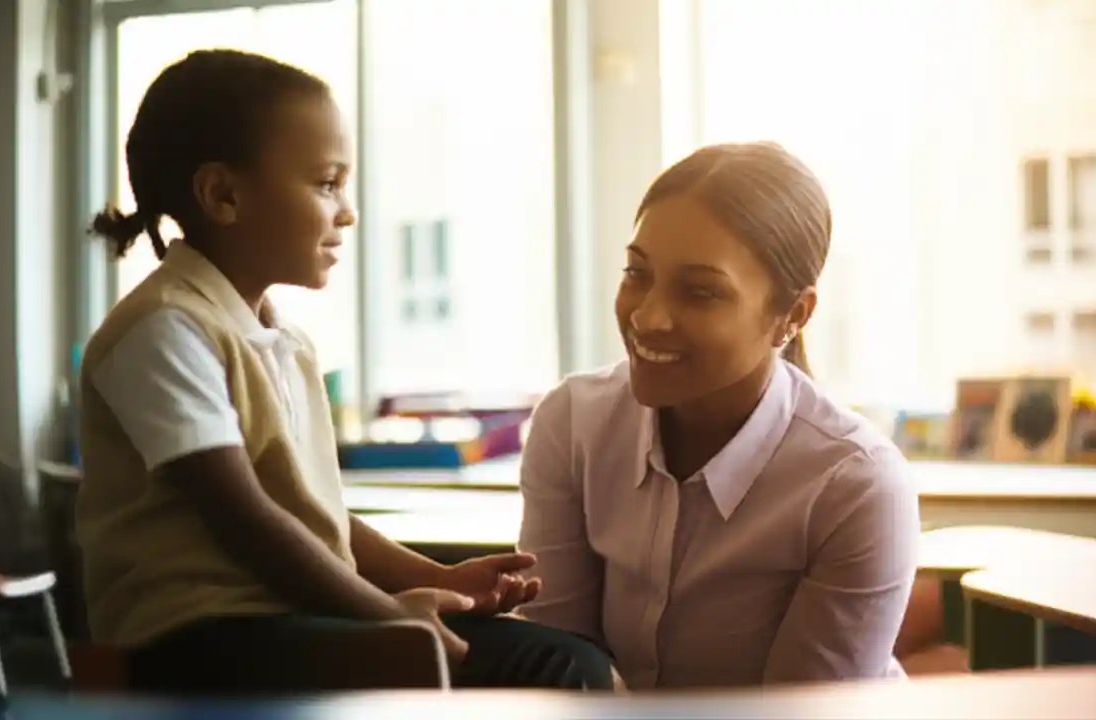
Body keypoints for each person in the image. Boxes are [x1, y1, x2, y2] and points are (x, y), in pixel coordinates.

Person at [77, 49, 611, 694]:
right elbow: (247, 521)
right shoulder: (162, 330)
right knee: (548, 667)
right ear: (223, 194)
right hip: (197, 638)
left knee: (567, 656)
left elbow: (310, 513)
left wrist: (435, 580)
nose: (347, 212)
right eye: (327, 184)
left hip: (289, 615)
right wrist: (390, 617)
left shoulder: (282, 341)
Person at [516, 141, 920, 689]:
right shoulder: (571, 423)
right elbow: (556, 666)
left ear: (792, 315)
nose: (649, 316)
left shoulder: (854, 484)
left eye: (700, 292)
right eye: (637, 273)